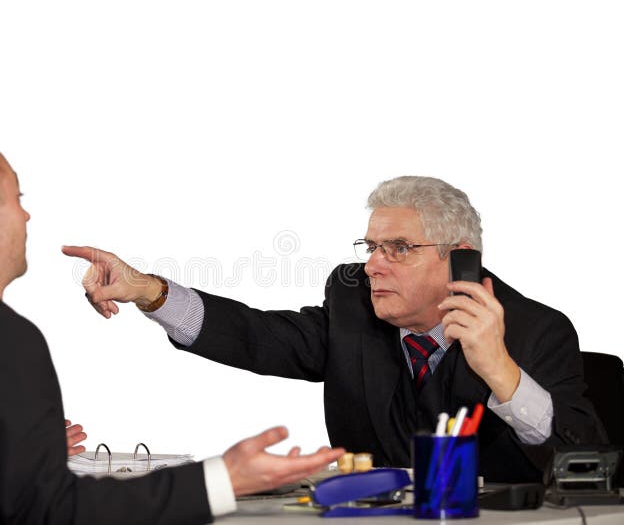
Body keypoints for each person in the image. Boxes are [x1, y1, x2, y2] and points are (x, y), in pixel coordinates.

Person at [0, 134, 343, 524]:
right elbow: (51, 513)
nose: (26, 213)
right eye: (16, 196)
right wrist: (222, 478)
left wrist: (13, 451)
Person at [63, 175, 607, 483]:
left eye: (398, 249)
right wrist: (148, 292)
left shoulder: (538, 331)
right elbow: (258, 335)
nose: (373, 265)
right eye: (371, 247)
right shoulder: (354, 305)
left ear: (461, 260)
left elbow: (587, 462)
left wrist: (504, 375)